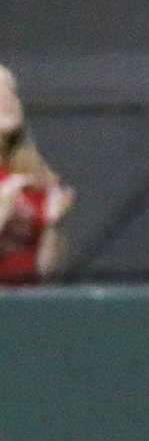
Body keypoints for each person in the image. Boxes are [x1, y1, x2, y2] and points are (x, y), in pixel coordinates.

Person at [0, 65, 74, 285]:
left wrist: (52, 222)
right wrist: (4, 202)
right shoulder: (12, 184)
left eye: (12, 92)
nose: (9, 100)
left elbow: (43, 268)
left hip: (24, 303)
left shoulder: (29, 170)